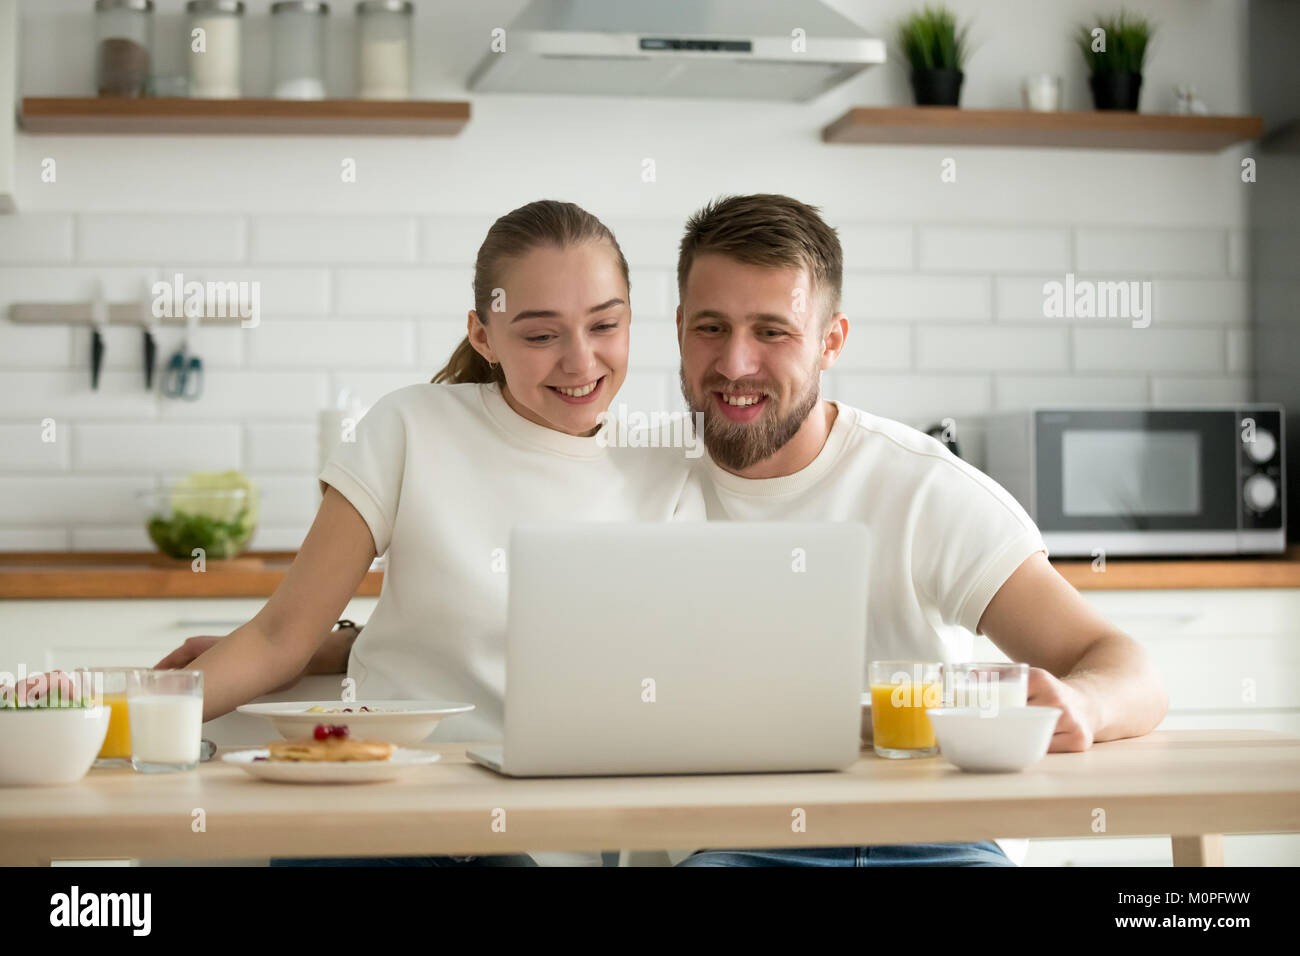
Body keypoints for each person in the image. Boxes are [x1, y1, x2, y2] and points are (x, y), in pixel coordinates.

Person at [156, 199, 703, 867]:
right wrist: (113, 718)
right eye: (539, 335)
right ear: (483, 334)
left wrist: (342, 647)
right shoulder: (409, 427)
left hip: (545, 837)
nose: (579, 360)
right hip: (382, 808)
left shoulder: (668, 468)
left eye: (605, 325)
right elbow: (279, 637)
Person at [668, 194, 1169, 867]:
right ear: (678, 329)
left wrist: (1082, 702)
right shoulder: (640, 482)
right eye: (711, 328)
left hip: (939, 837)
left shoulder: (921, 487)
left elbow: (1127, 668)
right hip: (740, 842)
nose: (734, 363)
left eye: (772, 331)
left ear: (830, 342)